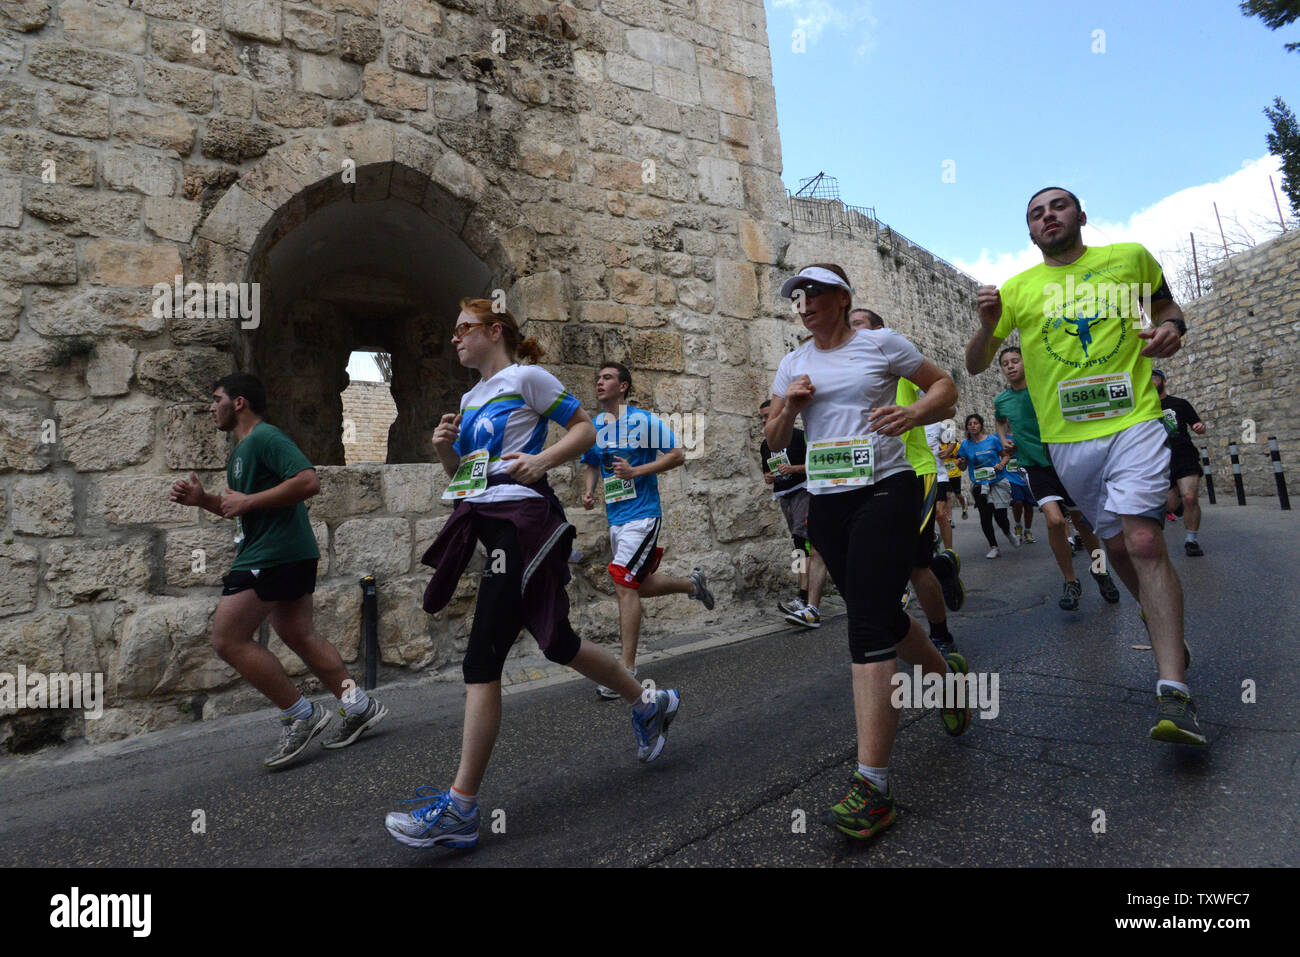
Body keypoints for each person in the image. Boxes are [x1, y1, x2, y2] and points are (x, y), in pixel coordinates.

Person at [384, 300, 683, 851]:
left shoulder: (528, 377)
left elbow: (586, 430)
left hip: (523, 523)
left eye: (463, 330)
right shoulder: (471, 398)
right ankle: (649, 703)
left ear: (494, 331)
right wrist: (445, 451)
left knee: (482, 658)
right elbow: (468, 477)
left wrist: (544, 462)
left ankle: (461, 809)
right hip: (486, 521)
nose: (454, 340)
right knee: (558, 642)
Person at [965, 186, 1203, 746]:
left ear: (1081, 216)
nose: (1047, 217)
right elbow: (975, 365)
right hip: (1068, 442)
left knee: (1144, 542)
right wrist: (987, 323)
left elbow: (1167, 306)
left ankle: (1174, 691)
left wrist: (1173, 327)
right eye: (1035, 214)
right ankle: (1155, 614)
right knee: (1114, 547)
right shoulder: (1020, 289)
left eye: (1057, 207)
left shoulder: (1129, 259)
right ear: (1029, 231)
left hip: (1133, 419)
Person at [768, 264, 969, 843]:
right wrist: (788, 406)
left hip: (886, 488)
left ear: (841, 297)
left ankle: (872, 786)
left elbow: (946, 389)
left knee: (865, 625)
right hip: (827, 500)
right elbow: (777, 442)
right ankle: (947, 680)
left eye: (815, 294)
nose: (804, 304)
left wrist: (913, 414)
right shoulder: (792, 363)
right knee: (879, 611)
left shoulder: (880, 343)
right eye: (798, 296)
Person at [168, 374, 388, 769]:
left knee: (227, 639)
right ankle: (358, 705)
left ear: (238, 403)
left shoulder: (265, 438)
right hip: (287, 552)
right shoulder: (242, 450)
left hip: (272, 555)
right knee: (298, 633)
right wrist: (203, 500)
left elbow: (308, 481)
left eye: (215, 399)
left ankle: (300, 714)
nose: (210, 407)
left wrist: (249, 502)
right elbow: (240, 507)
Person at [581, 361, 715, 697]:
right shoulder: (595, 425)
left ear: (623, 386)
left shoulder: (643, 421)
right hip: (617, 518)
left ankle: (625, 672)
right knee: (636, 586)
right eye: (598, 378)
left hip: (643, 515)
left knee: (623, 583)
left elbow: (676, 456)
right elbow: (591, 462)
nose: (600, 382)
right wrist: (588, 489)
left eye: (607, 378)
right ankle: (691, 584)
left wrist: (636, 472)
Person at [850, 308, 966, 641]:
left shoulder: (894, 366)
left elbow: (950, 407)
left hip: (915, 472)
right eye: (850, 327)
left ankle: (941, 636)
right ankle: (940, 567)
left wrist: (915, 414)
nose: (853, 332)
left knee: (915, 564)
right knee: (886, 559)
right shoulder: (845, 377)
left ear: (880, 332)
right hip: (870, 477)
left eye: (860, 326)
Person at [993, 346, 1121, 610]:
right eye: (1005, 363)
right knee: (1054, 521)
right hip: (1033, 466)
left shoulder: (1045, 389)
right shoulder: (1001, 400)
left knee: (1083, 524)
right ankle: (1070, 580)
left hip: (1064, 461)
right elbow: (1000, 421)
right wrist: (1005, 441)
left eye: (1015, 360)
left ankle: (1100, 570)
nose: (1010, 366)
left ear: (1025, 363)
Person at [758, 399, 829, 628]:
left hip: (803, 492)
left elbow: (817, 463)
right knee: (798, 546)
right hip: (784, 496)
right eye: (761, 417)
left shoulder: (799, 437)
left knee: (804, 542)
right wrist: (769, 477)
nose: (764, 420)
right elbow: (767, 474)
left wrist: (794, 469)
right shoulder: (765, 444)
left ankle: (804, 596)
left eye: (767, 415)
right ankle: (802, 595)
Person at [1152, 370, 1207, 556]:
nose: (1151, 381)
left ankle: (1191, 540)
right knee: (1169, 506)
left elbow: (1198, 425)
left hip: (1184, 455)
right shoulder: (1143, 407)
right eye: (1148, 378)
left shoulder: (1180, 404)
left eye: (1155, 378)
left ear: (1164, 381)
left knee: (1190, 497)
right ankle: (1180, 507)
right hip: (1159, 459)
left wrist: (1200, 427)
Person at [956, 413, 1018, 558]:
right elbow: (963, 467)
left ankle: (1008, 532)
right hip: (979, 484)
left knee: (1000, 516)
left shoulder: (993, 440)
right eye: (970, 424)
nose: (973, 426)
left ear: (981, 425)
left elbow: (1006, 455)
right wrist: (960, 463)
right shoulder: (965, 445)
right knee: (985, 516)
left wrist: (1001, 464)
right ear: (967, 427)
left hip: (997, 482)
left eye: (975, 423)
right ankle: (994, 547)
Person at [939, 435, 969, 520]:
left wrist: (949, 454)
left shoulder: (955, 445)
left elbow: (961, 457)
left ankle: (964, 507)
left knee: (958, 495)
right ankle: (950, 519)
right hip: (945, 475)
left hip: (955, 474)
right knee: (947, 496)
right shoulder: (938, 446)